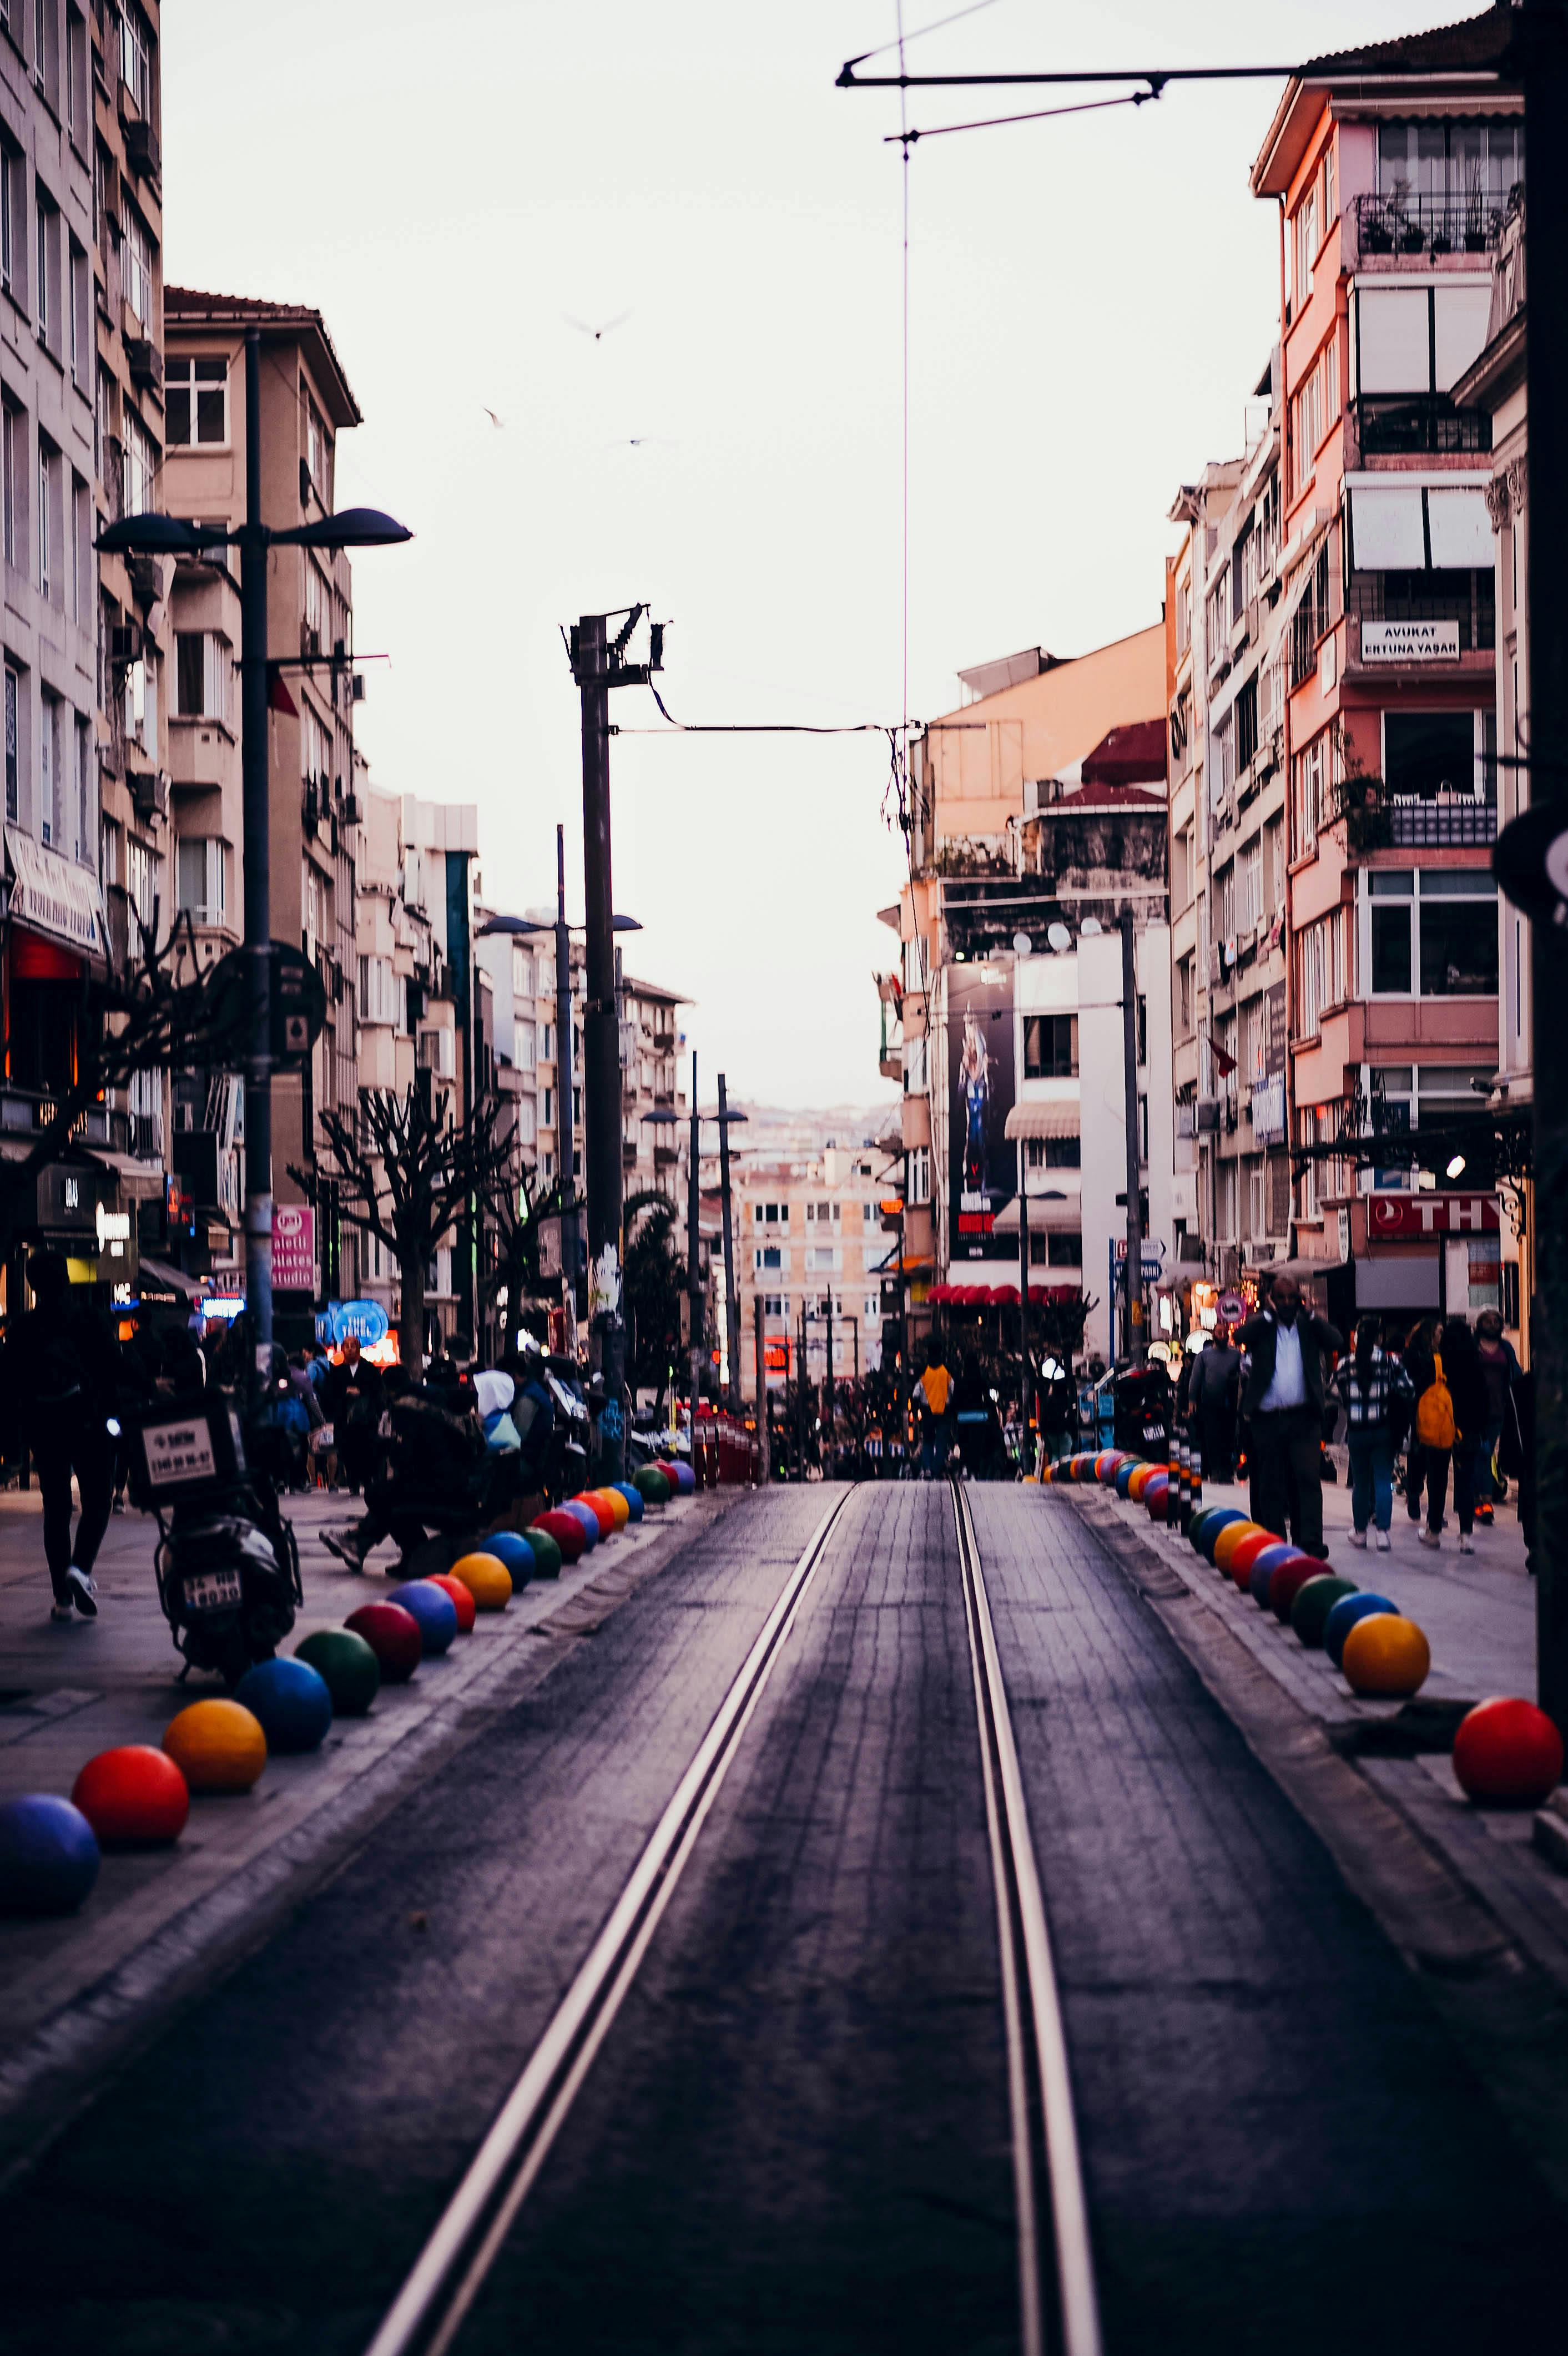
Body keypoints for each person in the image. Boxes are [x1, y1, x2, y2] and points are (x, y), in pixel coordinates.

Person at [0, 1252, 123, 1619]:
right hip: (90, 1421)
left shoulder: (21, 1328)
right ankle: (80, 1568)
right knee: (98, 1500)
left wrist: (13, 1439)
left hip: (44, 1425)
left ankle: (62, 1598)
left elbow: (8, 1387)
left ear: (33, 1284)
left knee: (56, 1509)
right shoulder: (90, 1319)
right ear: (66, 1279)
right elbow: (114, 1370)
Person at [1238, 1275, 1342, 1558]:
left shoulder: (1308, 1327)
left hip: (1304, 1418)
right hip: (1267, 1419)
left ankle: (1309, 1542)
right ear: (1272, 1298)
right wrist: (1267, 1315)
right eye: (1281, 1298)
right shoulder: (1262, 1326)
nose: (1287, 1303)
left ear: (1300, 1299)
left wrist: (1311, 1314)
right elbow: (1240, 1336)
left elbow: (1336, 1340)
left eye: (1292, 1298)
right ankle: (1273, 1542)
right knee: (1271, 1483)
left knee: (1307, 1479)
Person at [1332, 1315, 1412, 1551]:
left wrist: (1352, 1399)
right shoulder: (1390, 1363)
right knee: (1382, 1481)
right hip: (1383, 1430)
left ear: (1357, 1337)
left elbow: (1334, 1394)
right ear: (1379, 1337)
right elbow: (1409, 1389)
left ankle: (1360, 1532)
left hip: (1357, 1432)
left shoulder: (1346, 1364)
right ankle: (1383, 1535)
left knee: (1361, 1484)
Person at [1473, 1308, 1520, 1523]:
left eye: (1496, 1321)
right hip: (1474, 1410)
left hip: (1498, 1409)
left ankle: (1483, 1501)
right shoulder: (1473, 1347)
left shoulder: (1506, 1348)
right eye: (1488, 1321)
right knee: (1479, 1454)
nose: (1492, 1325)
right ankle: (1483, 1502)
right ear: (1480, 1324)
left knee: (1485, 1453)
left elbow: (1516, 1373)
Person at [322, 1336, 383, 1495]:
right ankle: (353, 1483)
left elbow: (378, 1392)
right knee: (348, 1452)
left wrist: (362, 1392)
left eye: (353, 1346)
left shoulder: (369, 1369)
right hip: (345, 1420)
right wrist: (345, 1393)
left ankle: (368, 1480)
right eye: (347, 1346)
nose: (350, 1349)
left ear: (358, 1348)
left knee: (367, 1450)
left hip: (366, 1419)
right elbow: (329, 1394)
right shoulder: (337, 1371)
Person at [1187, 1323, 1241, 1482]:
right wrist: (1192, 1399)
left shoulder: (1236, 1355)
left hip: (1231, 1404)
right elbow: (1195, 1379)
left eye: (1225, 1332)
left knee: (1229, 1437)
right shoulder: (1204, 1356)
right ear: (1214, 1334)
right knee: (1212, 1438)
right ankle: (1216, 1470)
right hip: (1210, 1404)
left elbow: (1244, 1373)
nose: (1223, 1335)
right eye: (1220, 1332)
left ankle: (1227, 1470)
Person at [919, 1338, 952, 1479]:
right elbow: (953, 1391)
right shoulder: (946, 1372)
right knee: (941, 1442)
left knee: (927, 1441)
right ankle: (936, 1470)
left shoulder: (924, 1372)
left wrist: (916, 1413)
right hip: (944, 1413)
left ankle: (927, 1468)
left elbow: (915, 1394)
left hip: (927, 1413)